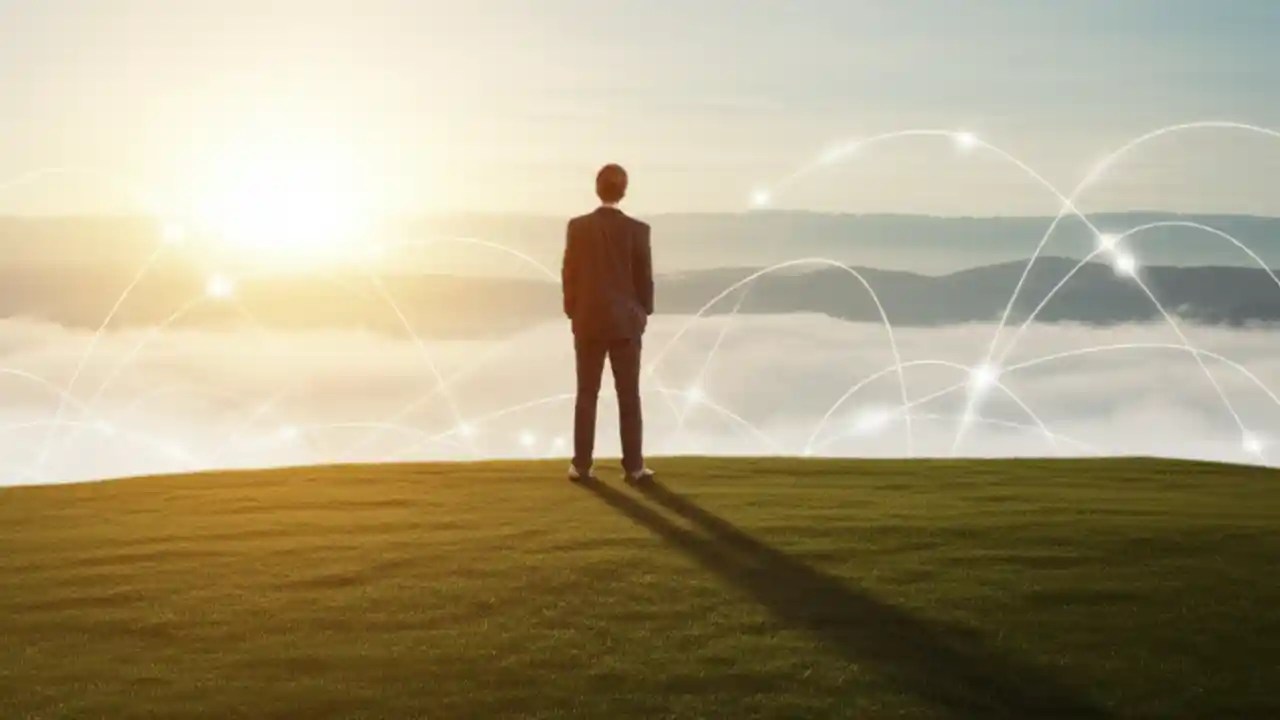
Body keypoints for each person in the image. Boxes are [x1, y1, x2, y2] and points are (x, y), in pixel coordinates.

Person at [561, 163, 655, 484]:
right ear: (623, 191)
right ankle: (633, 467)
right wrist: (643, 314)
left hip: (588, 322)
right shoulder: (638, 230)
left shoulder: (577, 227)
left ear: (597, 189)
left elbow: (569, 274)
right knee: (629, 396)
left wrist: (573, 311)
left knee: (586, 394)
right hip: (626, 325)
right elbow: (645, 281)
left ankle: (582, 465)